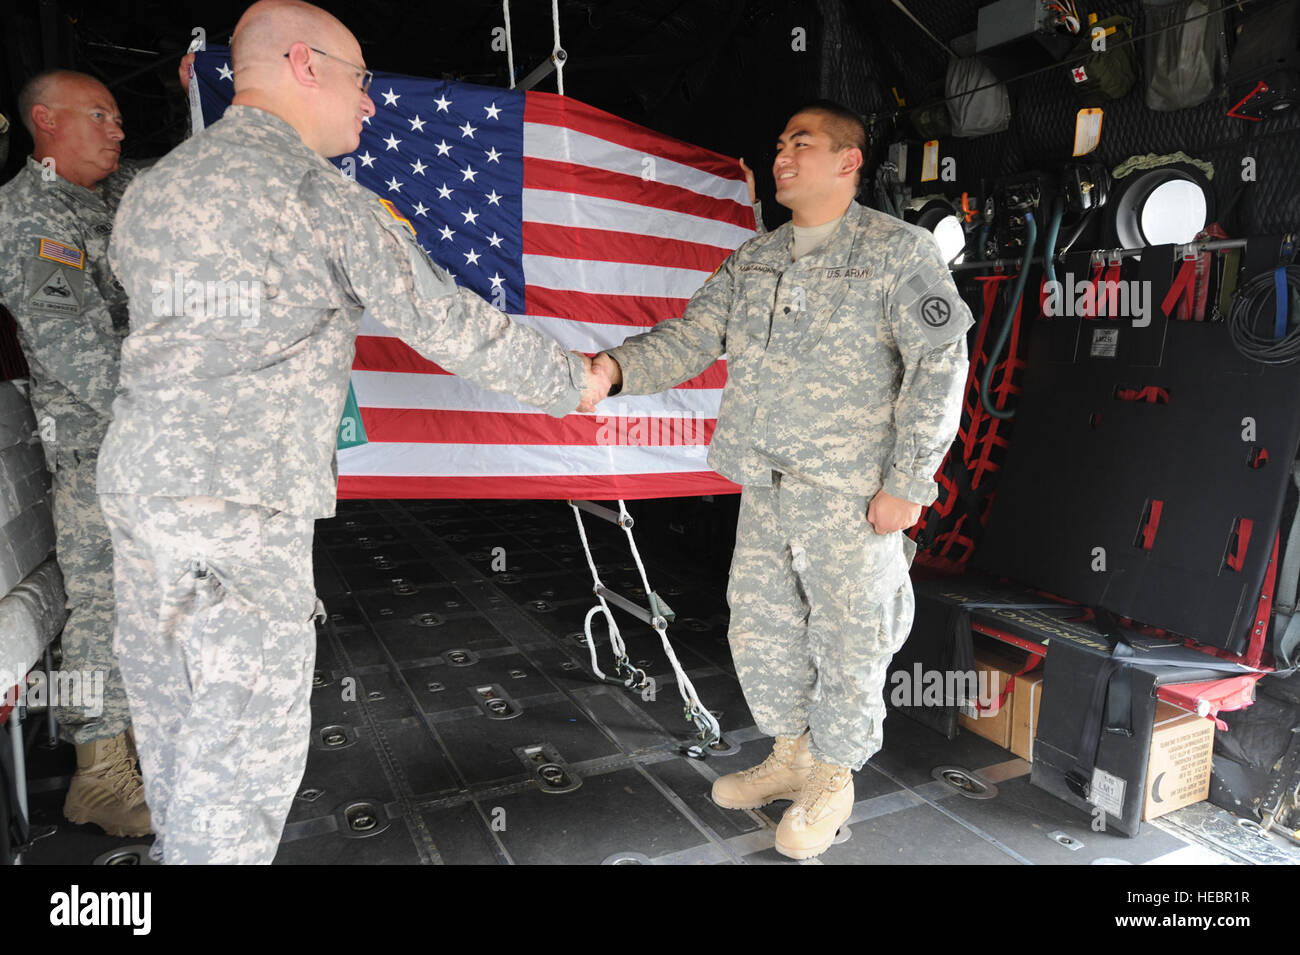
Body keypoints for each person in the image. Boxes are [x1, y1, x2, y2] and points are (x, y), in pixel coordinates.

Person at [97, 0, 607, 865]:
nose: (369, 104)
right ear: (305, 64)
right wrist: (577, 380)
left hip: (139, 495)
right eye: (361, 80)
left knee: (176, 725)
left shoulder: (151, 190)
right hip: (241, 512)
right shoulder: (314, 194)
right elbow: (446, 322)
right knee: (242, 754)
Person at [589, 101, 972, 859]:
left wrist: (909, 480)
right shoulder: (756, 258)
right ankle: (791, 752)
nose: (782, 156)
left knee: (852, 634)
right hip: (765, 482)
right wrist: (616, 368)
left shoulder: (901, 252)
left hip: (853, 492)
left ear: (848, 160)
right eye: (778, 143)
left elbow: (941, 365)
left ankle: (833, 775)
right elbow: (694, 336)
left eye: (802, 143)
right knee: (762, 625)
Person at [0, 69, 162, 837]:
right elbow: (74, 349)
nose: (117, 129)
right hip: (96, 447)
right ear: (46, 122)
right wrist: (176, 409)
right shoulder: (31, 213)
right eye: (99, 115)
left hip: (142, 440)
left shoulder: (105, 190)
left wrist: (220, 102)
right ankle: (97, 776)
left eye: (120, 116)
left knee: (147, 599)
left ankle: (133, 745)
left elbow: (175, 171)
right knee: (100, 605)